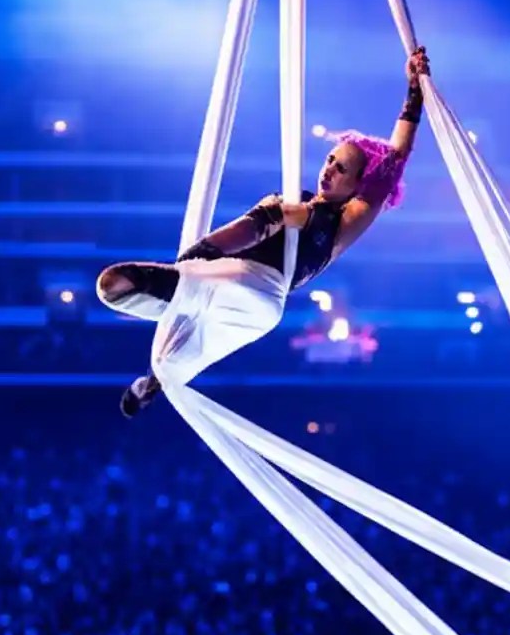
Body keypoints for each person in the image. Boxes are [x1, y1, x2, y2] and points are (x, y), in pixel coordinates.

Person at [97, 47, 430, 417]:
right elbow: (244, 231)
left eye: (341, 170)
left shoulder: (347, 219)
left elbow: (395, 158)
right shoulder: (287, 201)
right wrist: (198, 253)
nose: (329, 171)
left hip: (253, 287)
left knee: (117, 285)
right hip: (252, 310)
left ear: (357, 184)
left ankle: (168, 317)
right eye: (329, 160)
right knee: (169, 360)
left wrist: (413, 94)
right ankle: (153, 380)